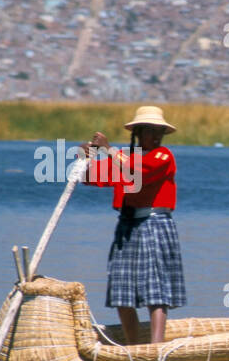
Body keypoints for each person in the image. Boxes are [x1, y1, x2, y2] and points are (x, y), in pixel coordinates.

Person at [80, 105, 186, 345]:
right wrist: (86, 155)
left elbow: (138, 173)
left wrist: (108, 150)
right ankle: (133, 348)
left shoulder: (163, 156)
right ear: (138, 132)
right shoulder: (126, 159)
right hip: (127, 226)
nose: (156, 135)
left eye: (159, 131)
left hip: (154, 223)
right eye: (149, 130)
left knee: (155, 289)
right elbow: (90, 177)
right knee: (121, 292)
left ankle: (155, 349)